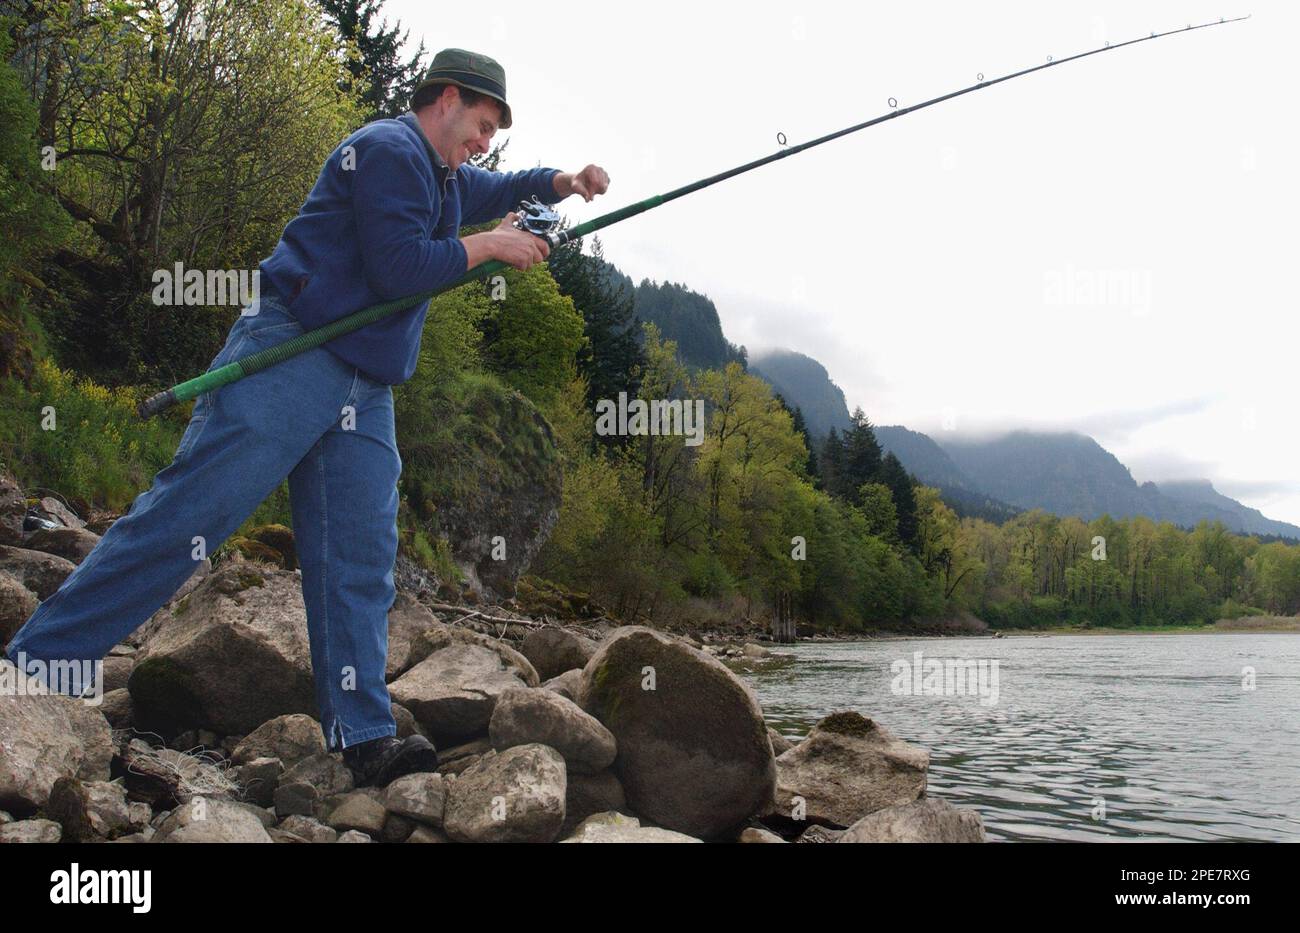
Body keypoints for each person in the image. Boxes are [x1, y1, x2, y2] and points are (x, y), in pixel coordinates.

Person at [2, 47, 610, 789]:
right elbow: (399, 267)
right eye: (482, 124)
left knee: (359, 554)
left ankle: (362, 733)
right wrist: (489, 245)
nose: (484, 142)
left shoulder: (446, 171)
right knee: (188, 515)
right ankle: (34, 666)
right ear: (445, 100)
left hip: (368, 383)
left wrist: (564, 183)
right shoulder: (386, 149)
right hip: (294, 351)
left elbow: (494, 184)